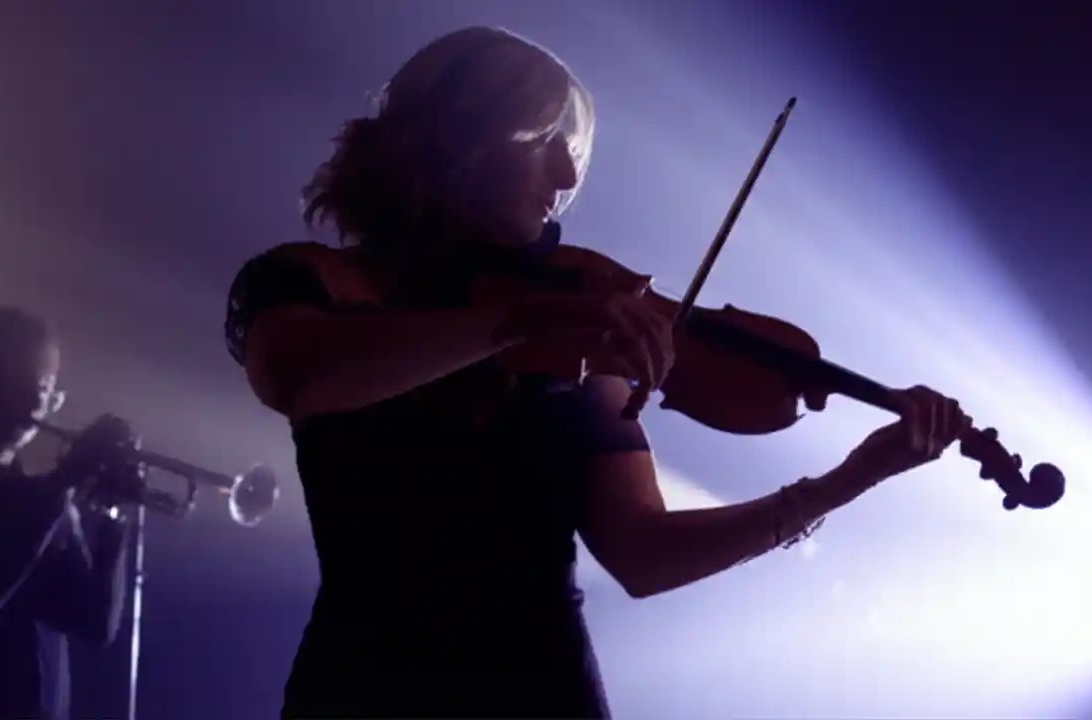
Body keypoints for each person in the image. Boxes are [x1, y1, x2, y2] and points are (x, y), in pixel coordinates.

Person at [225, 26, 972, 718]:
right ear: (457, 136)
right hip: (363, 692)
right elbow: (297, 374)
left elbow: (642, 553)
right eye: (541, 137)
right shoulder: (316, 282)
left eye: (570, 148)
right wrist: (519, 324)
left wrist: (849, 480)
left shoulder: (576, 325)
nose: (565, 171)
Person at [0, 307, 137, 720]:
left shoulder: (44, 497)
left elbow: (93, 622)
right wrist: (66, 480)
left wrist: (114, 517)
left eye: (47, 385)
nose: (38, 401)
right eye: (26, 381)